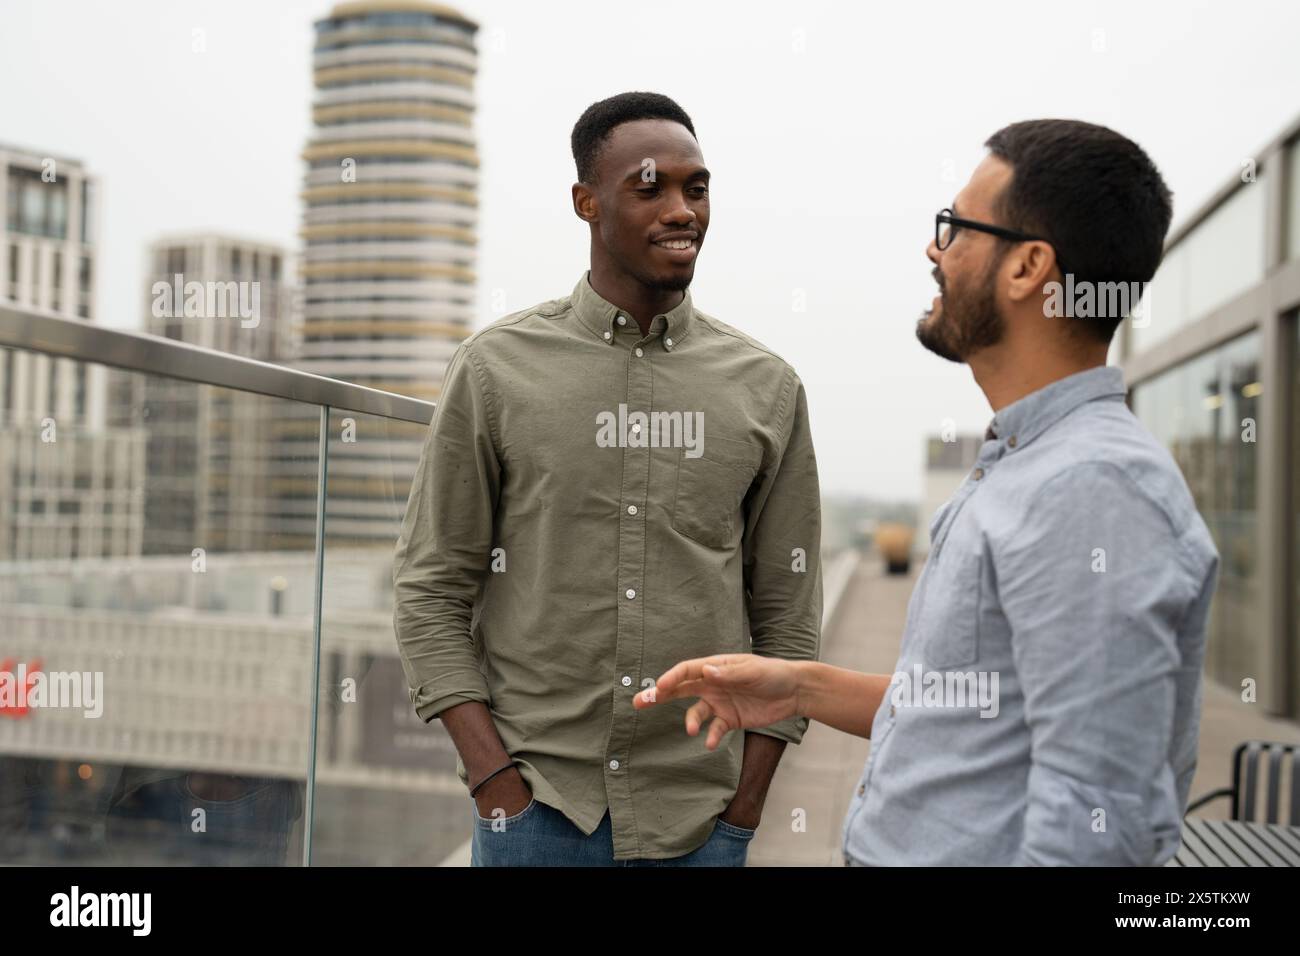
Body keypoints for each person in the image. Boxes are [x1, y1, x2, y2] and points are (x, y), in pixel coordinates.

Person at [636, 119, 1220, 866]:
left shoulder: (1093, 491)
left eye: (955, 228)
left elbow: (1099, 821)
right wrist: (797, 687)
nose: (933, 250)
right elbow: (975, 713)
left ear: (1028, 267)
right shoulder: (1026, 463)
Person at [392, 91, 823, 866]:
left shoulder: (767, 388)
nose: (682, 209)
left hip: (700, 821)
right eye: (650, 187)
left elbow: (787, 612)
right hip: (537, 811)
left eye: (697, 188)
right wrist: (496, 784)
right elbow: (430, 588)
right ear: (587, 203)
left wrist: (746, 809)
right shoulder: (494, 372)